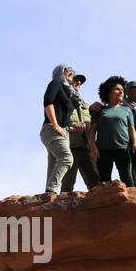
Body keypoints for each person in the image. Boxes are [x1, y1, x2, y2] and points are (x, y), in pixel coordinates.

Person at [87, 75, 136, 184]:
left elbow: (132, 129)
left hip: (123, 149)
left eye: (122, 90)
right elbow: (91, 131)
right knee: (103, 180)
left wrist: (135, 144)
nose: (121, 92)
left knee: (127, 178)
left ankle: (130, 200)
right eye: (117, 89)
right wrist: (93, 147)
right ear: (109, 92)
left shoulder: (127, 110)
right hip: (102, 150)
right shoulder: (100, 110)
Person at [60, 73, 100, 191]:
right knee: (68, 180)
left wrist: (93, 146)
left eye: (80, 82)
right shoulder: (62, 100)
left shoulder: (84, 105)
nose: (78, 83)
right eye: (75, 80)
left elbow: (89, 125)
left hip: (86, 147)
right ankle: (63, 207)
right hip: (70, 145)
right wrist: (72, 126)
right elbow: (56, 121)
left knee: (95, 180)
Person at [39, 64, 75, 195]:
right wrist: (55, 125)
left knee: (54, 163)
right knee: (67, 158)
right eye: (67, 69)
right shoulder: (55, 83)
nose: (71, 72)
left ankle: (48, 194)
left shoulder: (66, 91)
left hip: (61, 130)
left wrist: (70, 127)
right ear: (60, 72)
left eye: (72, 71)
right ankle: (52, 190)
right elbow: (48, 102)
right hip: (52, 129)